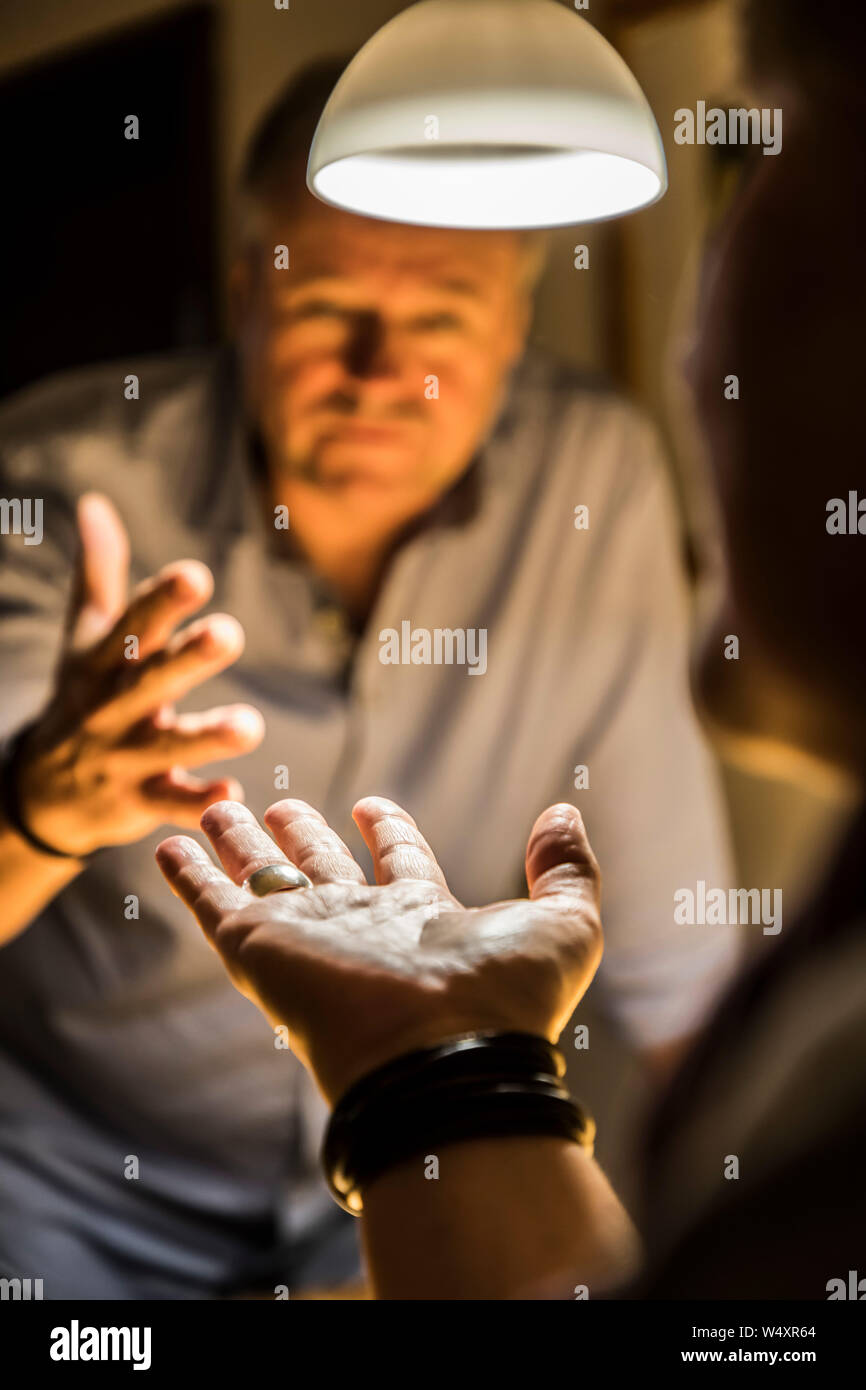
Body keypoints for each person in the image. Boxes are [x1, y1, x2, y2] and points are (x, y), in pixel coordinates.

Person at [155, 0, 866, 1298]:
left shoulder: (588, 474)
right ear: (254, 285)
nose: (694, 341)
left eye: (774, 148)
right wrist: (440, 1057)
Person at [0, 56, 735, 1297]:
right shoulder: (56, 476)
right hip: (75, 1195)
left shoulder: (592, 479)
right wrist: (40, 806)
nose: (378, 368)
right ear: (245, 297)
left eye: (441, 317)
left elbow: (680, 962)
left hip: (405, 1174)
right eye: (325, 301)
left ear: (512, 327)